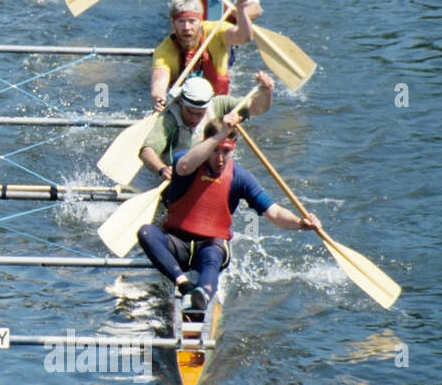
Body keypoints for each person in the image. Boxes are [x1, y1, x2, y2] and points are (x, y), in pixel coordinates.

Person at [137, 117, 321, 313]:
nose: (220, 158)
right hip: (177, 243)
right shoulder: (184, 161)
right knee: (146, 232)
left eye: (226, 151)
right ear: (206, 144)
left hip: (210, 247)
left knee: (213, 254)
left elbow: (274, 213)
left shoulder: (240, 177)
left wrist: (301, 223)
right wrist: (221, 135)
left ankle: (202, 295)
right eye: (215, 150)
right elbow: (183, 167)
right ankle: (184, 285)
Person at [139, 72, 274, 179]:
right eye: (190, 112)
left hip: (209, 168)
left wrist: (266, 91)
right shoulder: (168, 120)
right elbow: (146, 151)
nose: (194, 118)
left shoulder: (218, 105)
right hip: (179, 173)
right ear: (181, 103)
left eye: (200, 114)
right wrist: (162, 169)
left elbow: (257, 108)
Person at [149, 0, 252, 109]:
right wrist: (159, 98)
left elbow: (244, 38)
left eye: (192, 21)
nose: (186, 27)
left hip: (217, 103)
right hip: (185, 108)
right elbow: (159, 81)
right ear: (173, 25)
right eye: (181, 21)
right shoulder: (163, 51)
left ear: (200, 21)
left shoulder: (216, 31)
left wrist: (241, 10)